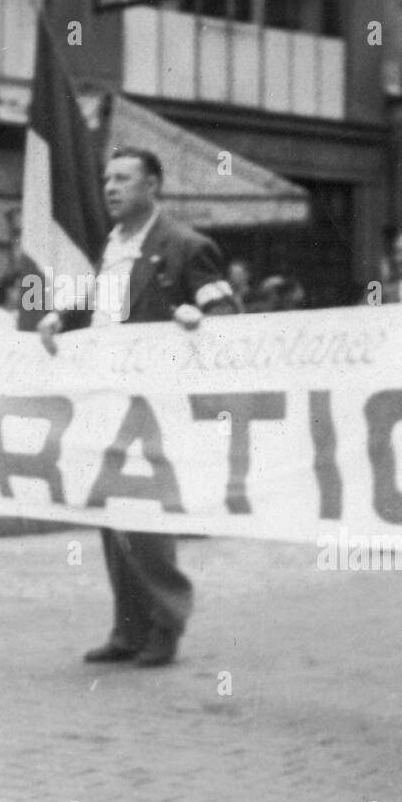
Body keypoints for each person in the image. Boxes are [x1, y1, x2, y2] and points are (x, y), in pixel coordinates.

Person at [38, 147, 237, 668]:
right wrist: (60, 319)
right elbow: (99, 306)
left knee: (145, 511)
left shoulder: (187, 246)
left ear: (152, 186)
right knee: (109, 509)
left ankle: (167, 621)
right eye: (106, 178)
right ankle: (127, 628)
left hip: (155, 401)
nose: (110, 187)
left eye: (123, 178)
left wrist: (198, 317)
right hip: (104, 395)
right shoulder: (109, 248)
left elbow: (229, 314)